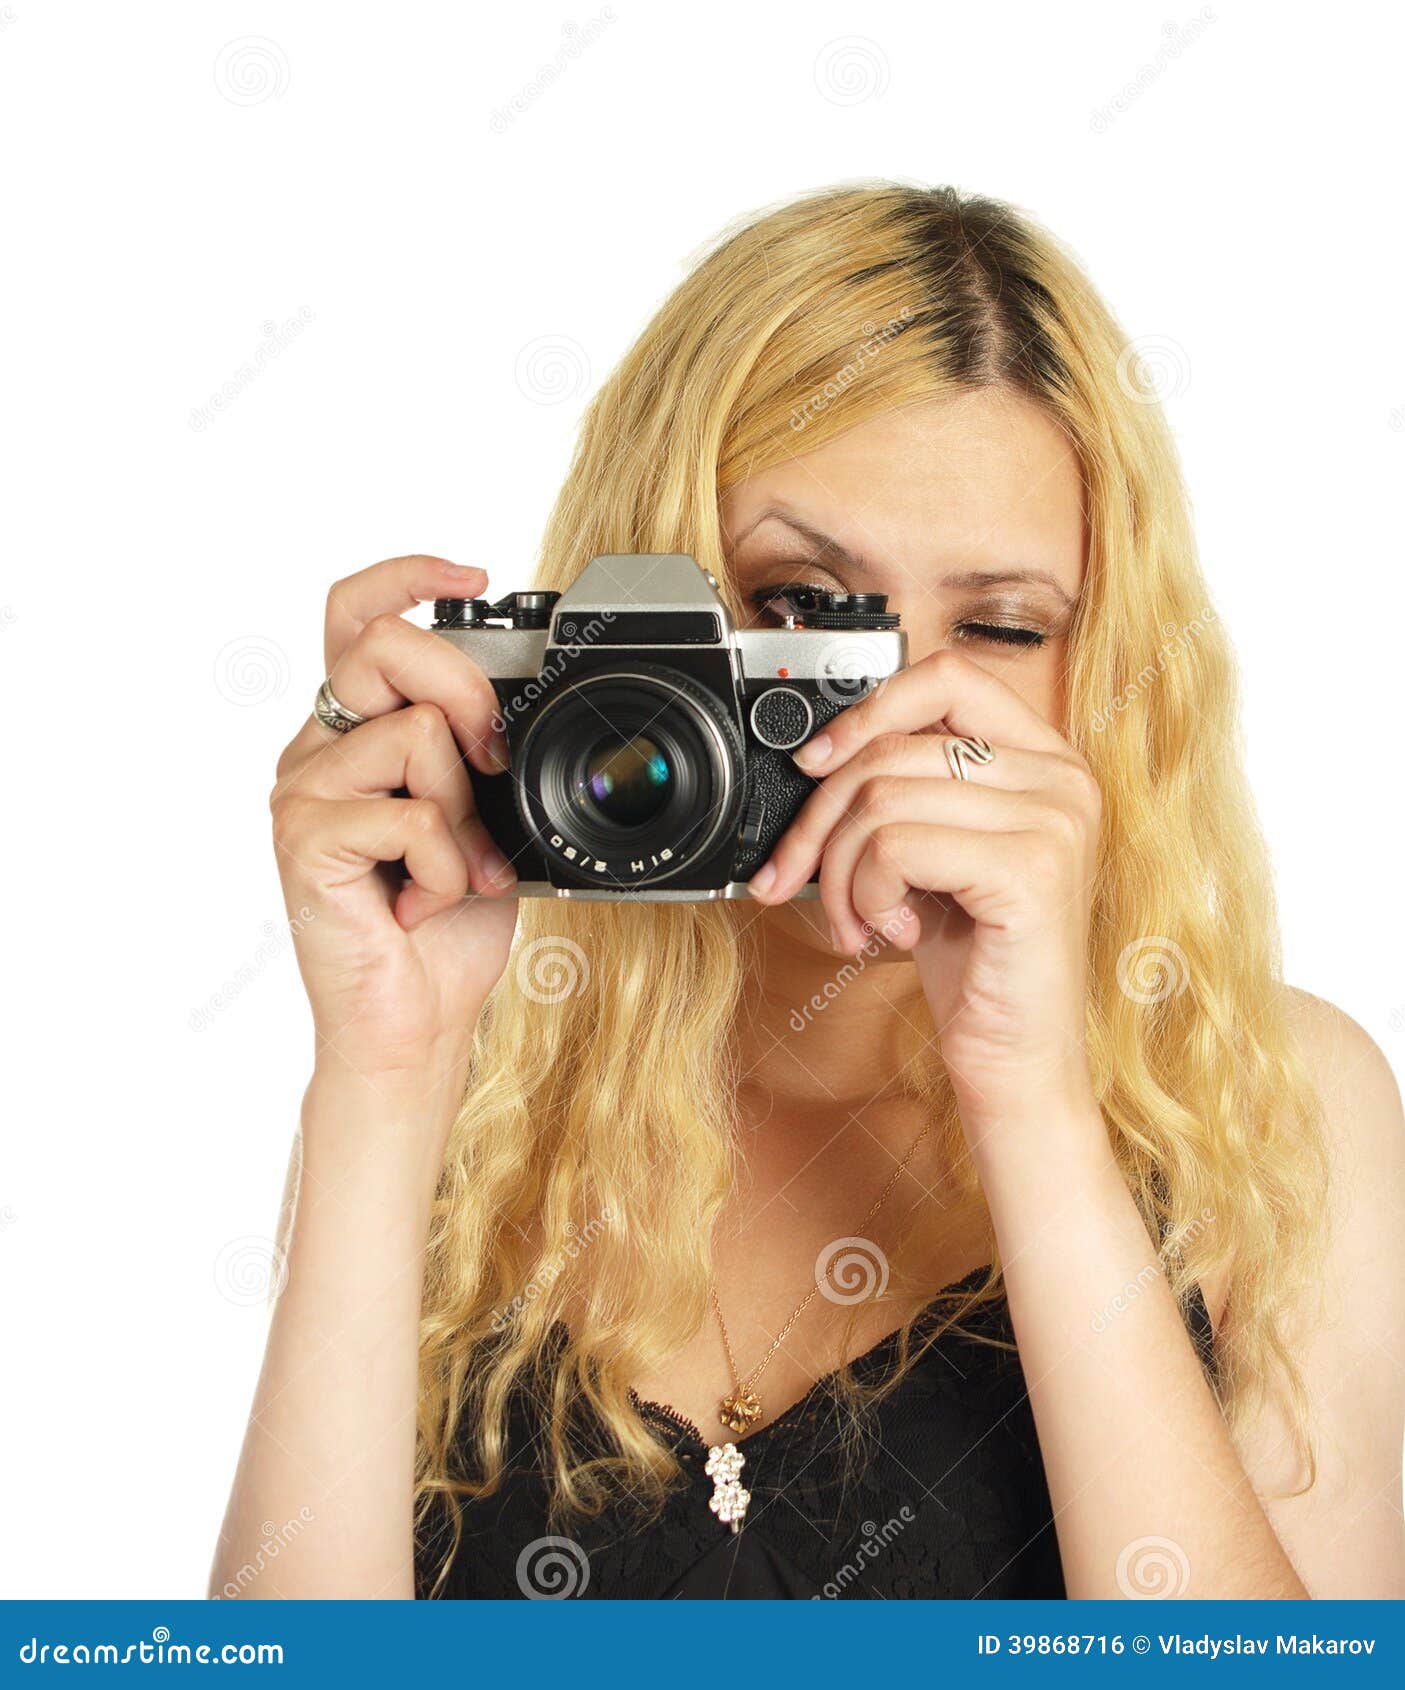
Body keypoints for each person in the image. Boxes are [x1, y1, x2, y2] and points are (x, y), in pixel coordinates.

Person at [212, 182, 1405, 1600]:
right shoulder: (468, 1113)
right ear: (633, 628)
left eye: (998, 626)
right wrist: (380, 1075)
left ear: (1101, 675)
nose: (894, 712)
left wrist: (1031, 1101)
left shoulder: (1268, 1110)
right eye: (795, 606)